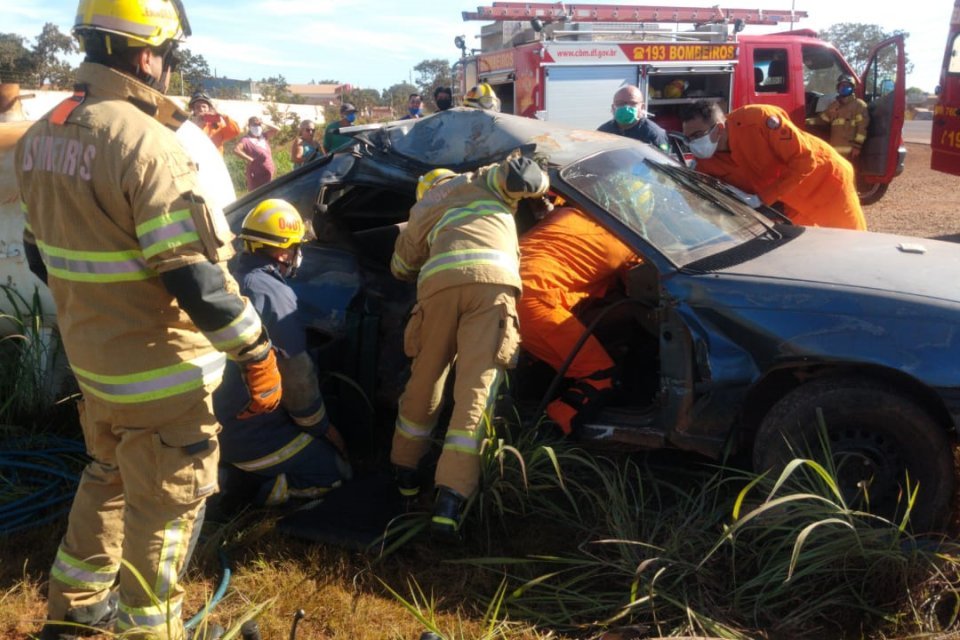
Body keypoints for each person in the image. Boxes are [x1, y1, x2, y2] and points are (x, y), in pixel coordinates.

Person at [15, 1, 282, 638]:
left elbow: (37, 252)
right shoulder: (149, 146)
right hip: (163, 382)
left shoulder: (42, 136)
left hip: (97, 371)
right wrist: (256, 351)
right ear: (144, 55)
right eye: (164, 55)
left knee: (105, 480)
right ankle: (150, 630)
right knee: (166, 513)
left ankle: (74, 614)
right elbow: (192, 274)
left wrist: (99, 317)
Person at [389, 156, 549, 535]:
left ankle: (405, 474)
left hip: (438, 291)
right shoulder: (480, 180)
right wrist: (541, 192)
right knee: (475, 390)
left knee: (425, 380)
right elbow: (524, 175)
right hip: (491, 288)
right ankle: (450, 500)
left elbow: (399, 268)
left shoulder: (422, 208)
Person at [213, 199, 350, 509]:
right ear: (284, 252)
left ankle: (231, 471)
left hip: (216, 422)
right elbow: (297, 379)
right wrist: (323, 428)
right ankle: (245, 489)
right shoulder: (274, 295)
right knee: (334, 472)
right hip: (251, 432)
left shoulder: (228, 277)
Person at [518, 206, 643, 435]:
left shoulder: (569, 211)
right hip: (533, 301)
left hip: (498, 285)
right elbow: (641, 288)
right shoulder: (629, 241)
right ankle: (542, 435)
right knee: (600, 375)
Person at [679, 100, 866, 231]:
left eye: (697, 136)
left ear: (719, 128)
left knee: (849, 244)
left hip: (825, 183)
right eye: (688, 138)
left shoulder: (758, 119)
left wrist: (762, 198)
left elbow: (805, 161)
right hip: (786, 203)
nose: (693, 143)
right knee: (807, 253)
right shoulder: (705, 162)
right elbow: (698, 200)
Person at [597, 85, 670, 153]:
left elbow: (664, 163)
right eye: (620, 103)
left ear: (642, 107)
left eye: (632, 103)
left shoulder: (653, 134)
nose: (626, 107)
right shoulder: (603, 131)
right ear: (613, 108)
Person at [818, 74, 870, 161]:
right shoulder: (834, 105)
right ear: (838, 88)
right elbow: (822, 120)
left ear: (852, 88)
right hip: (834, 152)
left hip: (850, 153)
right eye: (842, 85)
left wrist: (857, 147)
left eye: (847, 86)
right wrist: (805, 121)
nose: (844, 88)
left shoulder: (859, 105)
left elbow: (862, 128)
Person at [233, 115, 277, 191]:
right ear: (249, 126)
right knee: (259, 194)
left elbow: (276, 129)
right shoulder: (246, 140)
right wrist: (250, 159)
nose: (257, 126)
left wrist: (264, 122)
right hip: (257, 174)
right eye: (254, 125)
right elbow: (236, 150)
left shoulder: (263, 136)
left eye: (259, 125)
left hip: (269, 171)